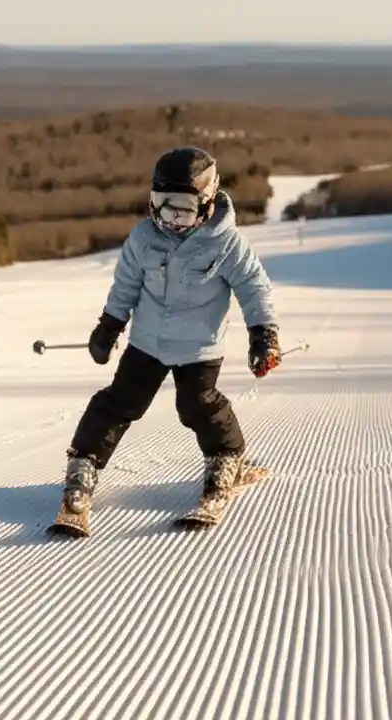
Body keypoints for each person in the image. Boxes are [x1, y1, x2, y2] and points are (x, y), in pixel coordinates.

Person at [59, 146, 282, 521]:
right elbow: (126, 284)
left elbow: (254, 288)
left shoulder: (226, 244)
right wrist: (109, 325)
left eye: (181, 207)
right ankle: (83, 466)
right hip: (148, 342)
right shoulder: (144, 237)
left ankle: (226, 458)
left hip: (199, 347)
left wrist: (264, 333)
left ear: (206, 203)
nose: (168, 217)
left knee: (198, 405)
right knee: (118, 403)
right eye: (160, 203)